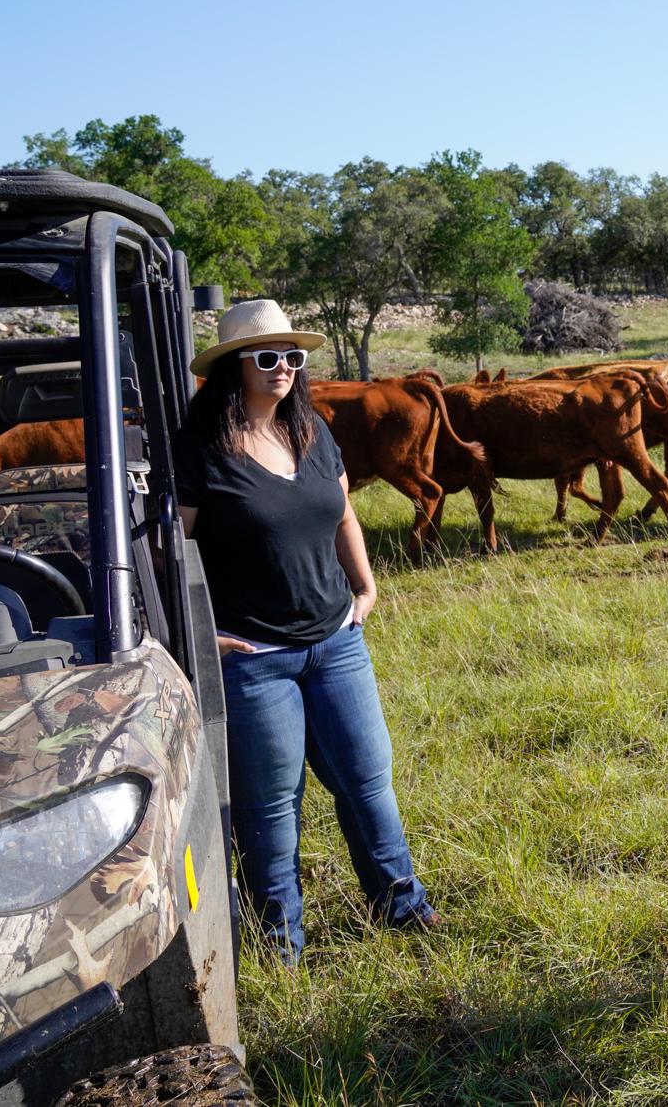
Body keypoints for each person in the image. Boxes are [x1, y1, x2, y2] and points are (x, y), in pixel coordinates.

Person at [175, 299, 438, 961]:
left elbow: (344, 512)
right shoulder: (201, 450)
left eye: (293, 355)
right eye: (267, 356)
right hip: (254, 657)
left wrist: (367, 586)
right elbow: (168, 552)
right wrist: (196, 633)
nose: (284, 367)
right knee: (270, 809)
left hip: (336, 642)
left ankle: (403, 906)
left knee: (368, 778)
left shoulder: (313, 431)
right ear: (234, 367)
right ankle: (280, 944)